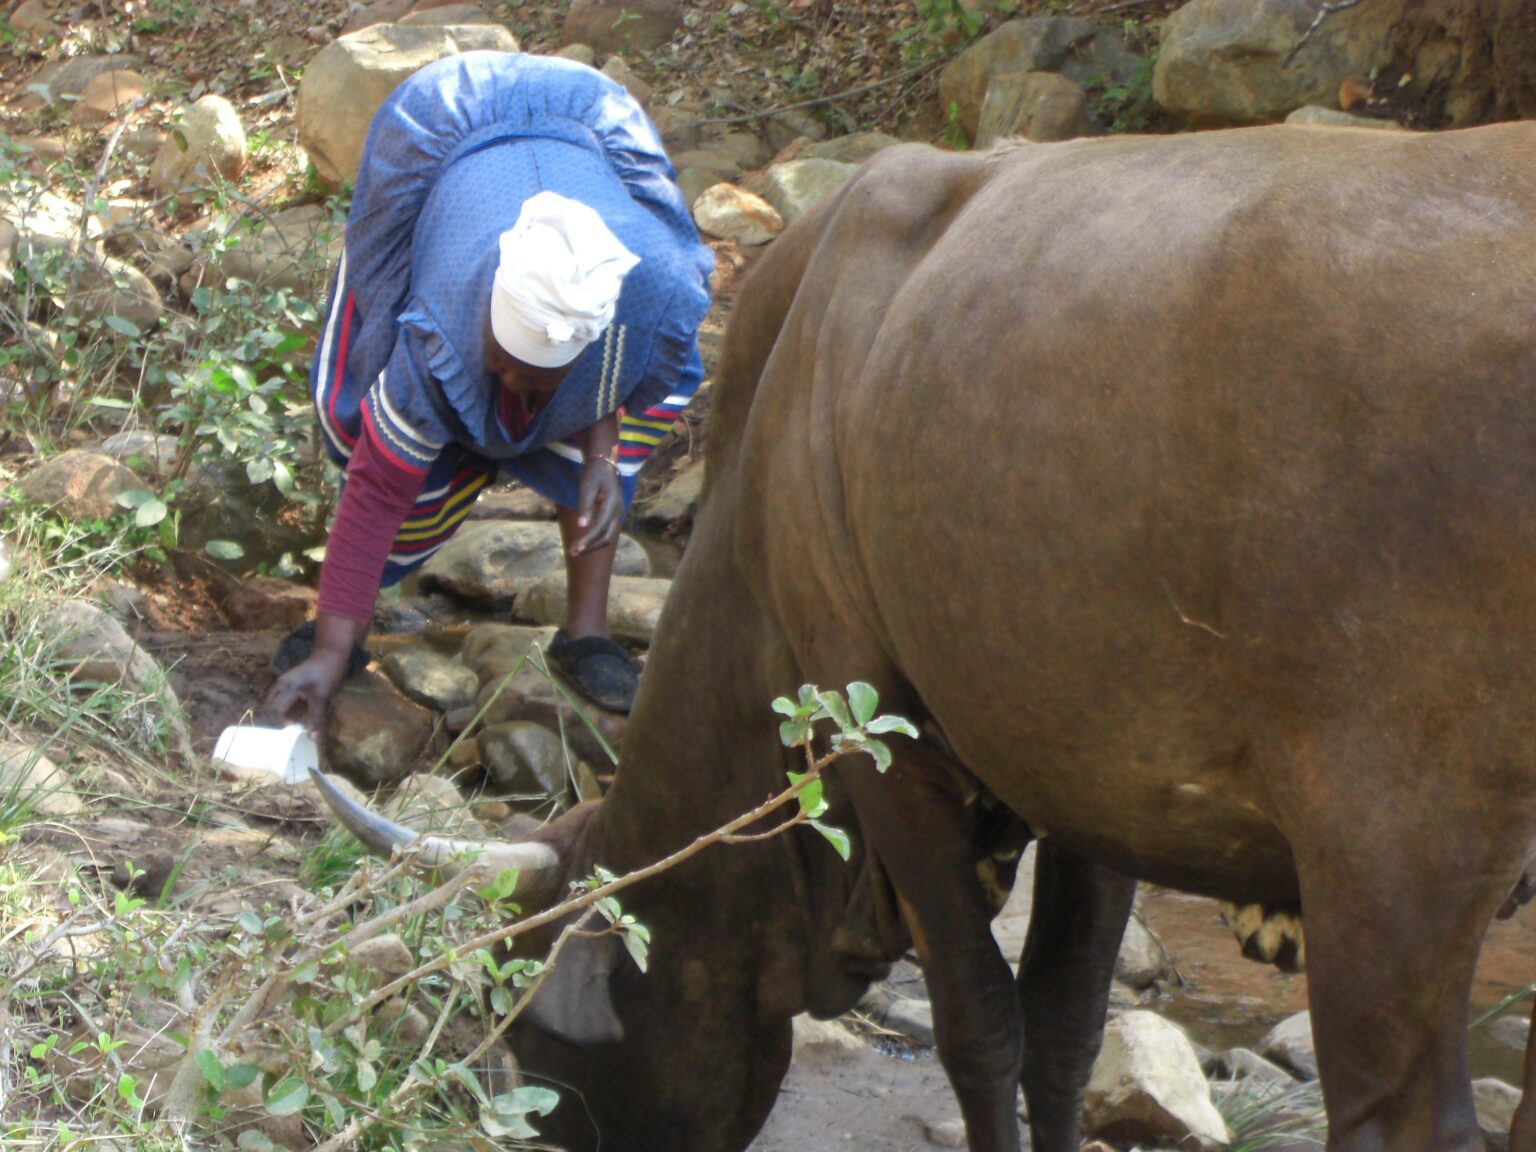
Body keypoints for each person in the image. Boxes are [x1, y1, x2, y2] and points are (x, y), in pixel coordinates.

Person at [263, 51, 713, 728]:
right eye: (501, 365)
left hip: (591, 119)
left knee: (609, 436)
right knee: (372, 422)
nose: (511, 385)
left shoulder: (649, 293)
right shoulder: (436, 331)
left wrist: (600, 456)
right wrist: (328, 654)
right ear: (485, 330)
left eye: (536, 381)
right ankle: (344, 631)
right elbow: (376, 490)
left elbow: (610, 375)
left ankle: (586, 635)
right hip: (445, 121)